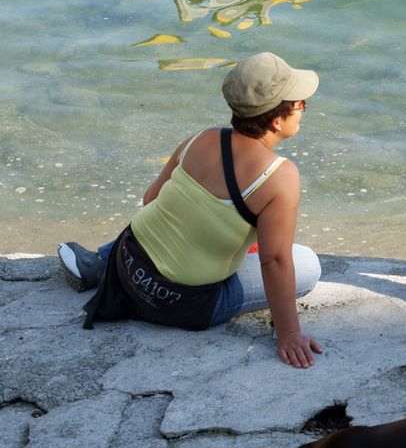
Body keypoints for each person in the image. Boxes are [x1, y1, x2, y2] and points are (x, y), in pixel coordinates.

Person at [57, 51, 324, 368]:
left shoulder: (202, 137)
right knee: (306, 264)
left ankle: (98, 263)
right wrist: (289, 332)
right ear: (277, 119)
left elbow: (150, 199)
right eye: (300, 104)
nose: (303, 109)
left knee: (181, 217)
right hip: (178, 304)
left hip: (127, 267)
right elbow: (275, 260)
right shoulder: (280, 176)